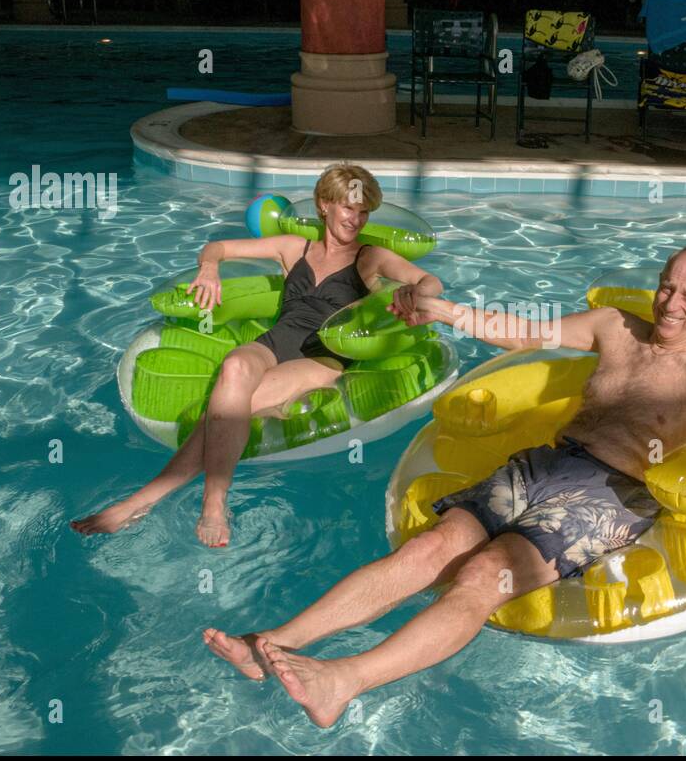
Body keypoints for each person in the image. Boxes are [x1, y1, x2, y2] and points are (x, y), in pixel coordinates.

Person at [203, 246, 686, 726]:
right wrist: (440, 310)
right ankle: (269, 645)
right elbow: (523, 330)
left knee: (484, 576)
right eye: (666, 285)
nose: (671, 303)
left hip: (612, 495)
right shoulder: (615, 328)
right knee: (426, 550)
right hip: (548, 464)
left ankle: (343, 681)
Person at [71, 164, 443, 547]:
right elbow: (218, 247)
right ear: (324, 206)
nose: (357, 219)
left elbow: (430, 281)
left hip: (321, 356)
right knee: (234, 366)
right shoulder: (292, 247)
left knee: (233, 408)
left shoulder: (370, 257)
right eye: (349, 209)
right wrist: (210, 269)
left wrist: (412, 294)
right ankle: (151, 501)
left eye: (364, 212)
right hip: (274, 342)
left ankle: (197, 502)